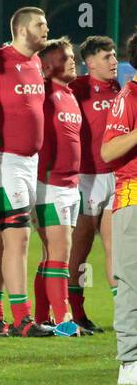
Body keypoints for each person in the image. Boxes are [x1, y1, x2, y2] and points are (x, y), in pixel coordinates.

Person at [0, 7, 54, 337]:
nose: (46, 29)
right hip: (4, 159)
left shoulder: (36, 62)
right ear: (22, 30)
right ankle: (22, 318)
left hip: (28, 161)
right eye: (41, 25)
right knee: (18, 235)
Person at [69, 35, 122, 333]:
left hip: (115, 177)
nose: (113, 61)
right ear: (89, 63)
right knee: (80, 250)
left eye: (114, 55)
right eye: (106, 56)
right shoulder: (75, 90)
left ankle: (124, 315)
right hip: (85, 179)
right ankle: (76, 314)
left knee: (118, 248)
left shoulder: (122, 90)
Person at [34, 37, 83, 335]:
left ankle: (44, 318)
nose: (73, 59)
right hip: (50, 186)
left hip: (70, 185)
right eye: (67, 56)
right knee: (59, 254)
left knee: (50, 254)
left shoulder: (69, 94)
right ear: (49, 66)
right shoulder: (45, 94)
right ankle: (64, 320)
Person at [99, 30, 137, 385]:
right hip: (133, 199)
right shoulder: (128, 97)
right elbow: (108, 152)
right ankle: (130, 363)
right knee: (132, 282)